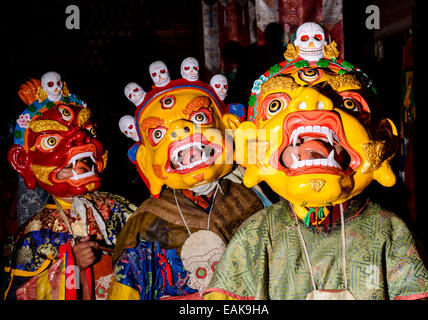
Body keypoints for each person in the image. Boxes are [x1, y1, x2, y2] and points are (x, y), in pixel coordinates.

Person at [203, 22, 428, 300]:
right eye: (276, 106)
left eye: (349, 104)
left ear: (384, 142)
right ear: (249, 146)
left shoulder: (388, 230)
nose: (312, 100)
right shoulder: (257, 233)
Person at [107, 59, 266, 300]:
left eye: (200, 118)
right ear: (145, 162)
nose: (181, 130)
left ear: (231, 129)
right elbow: (128, 288)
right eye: (158, 134)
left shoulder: (258, 201)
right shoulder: (150, 223)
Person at [5, 73, 135, 300]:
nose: (81, 139)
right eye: (52, 141)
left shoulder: (117, 208)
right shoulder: (36, 233)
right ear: (23, 161)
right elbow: (20, 294)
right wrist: (72, 265)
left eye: (90, 131)